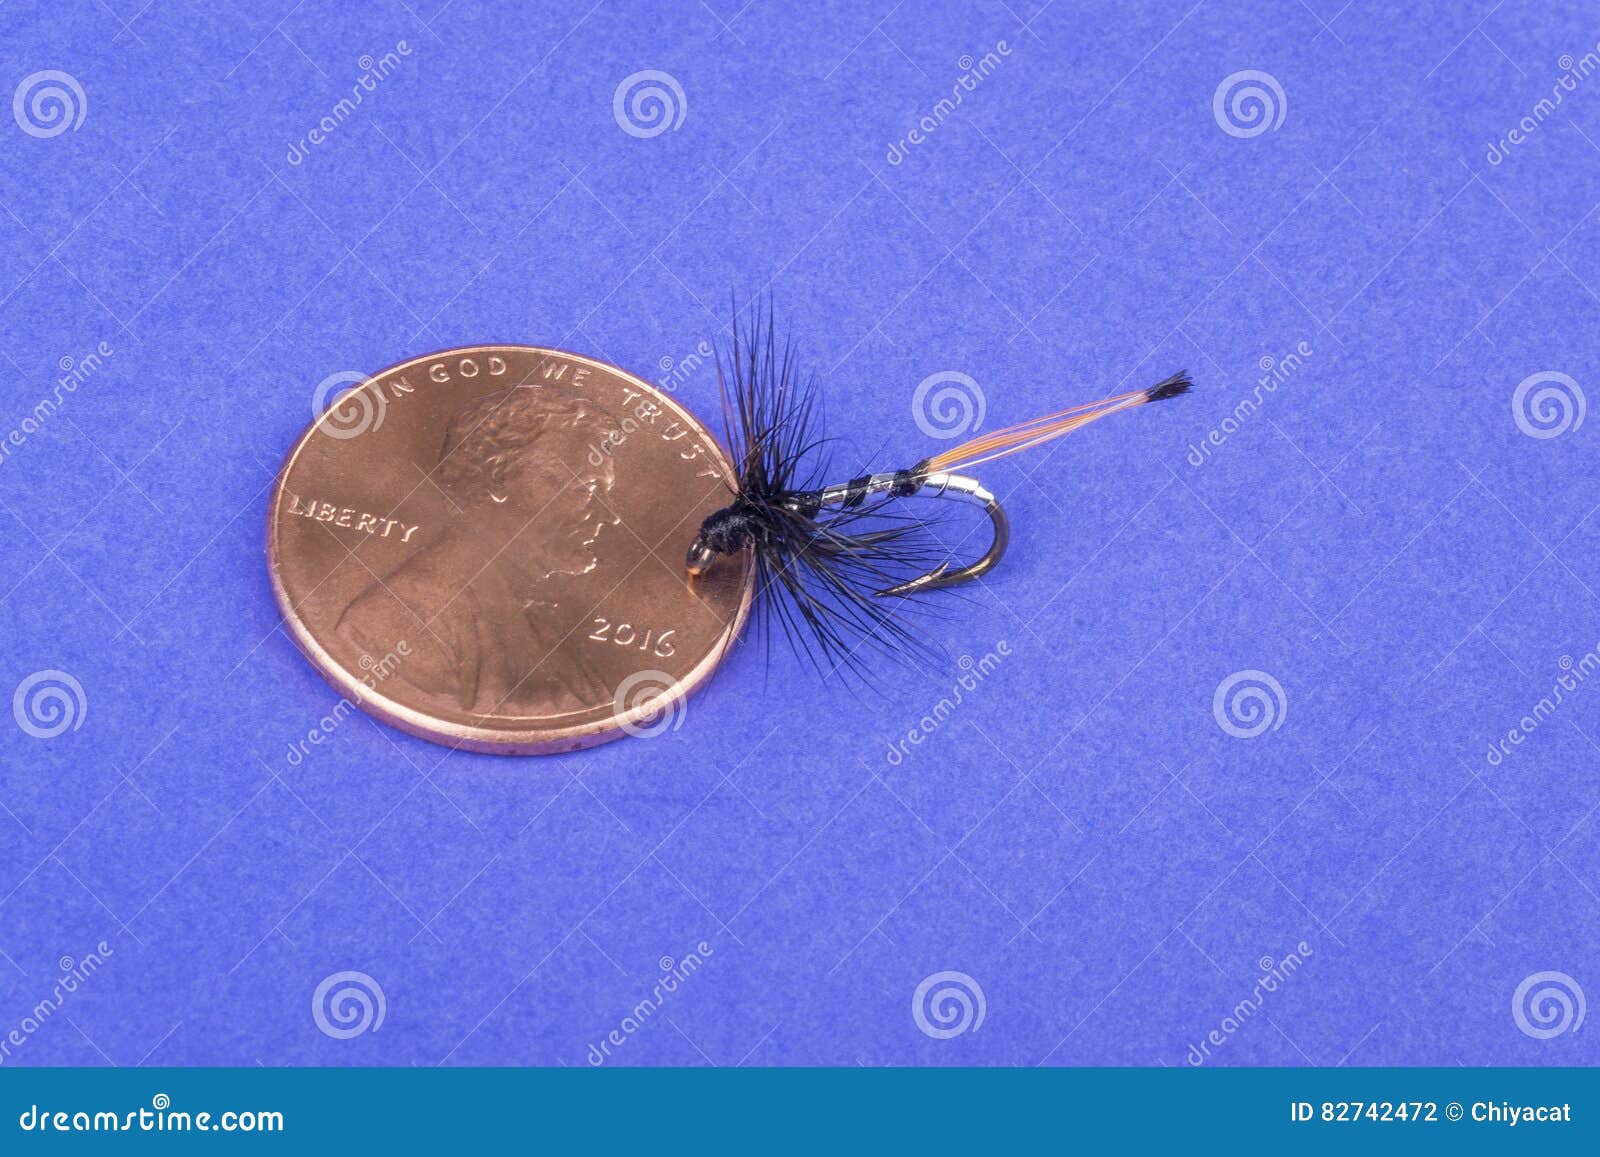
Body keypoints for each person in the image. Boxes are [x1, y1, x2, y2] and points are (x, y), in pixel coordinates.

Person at [336, 386, 619, 716]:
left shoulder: (540, 623)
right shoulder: (393, 621)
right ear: (498, 479)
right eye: (584, 489)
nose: (610, 516)